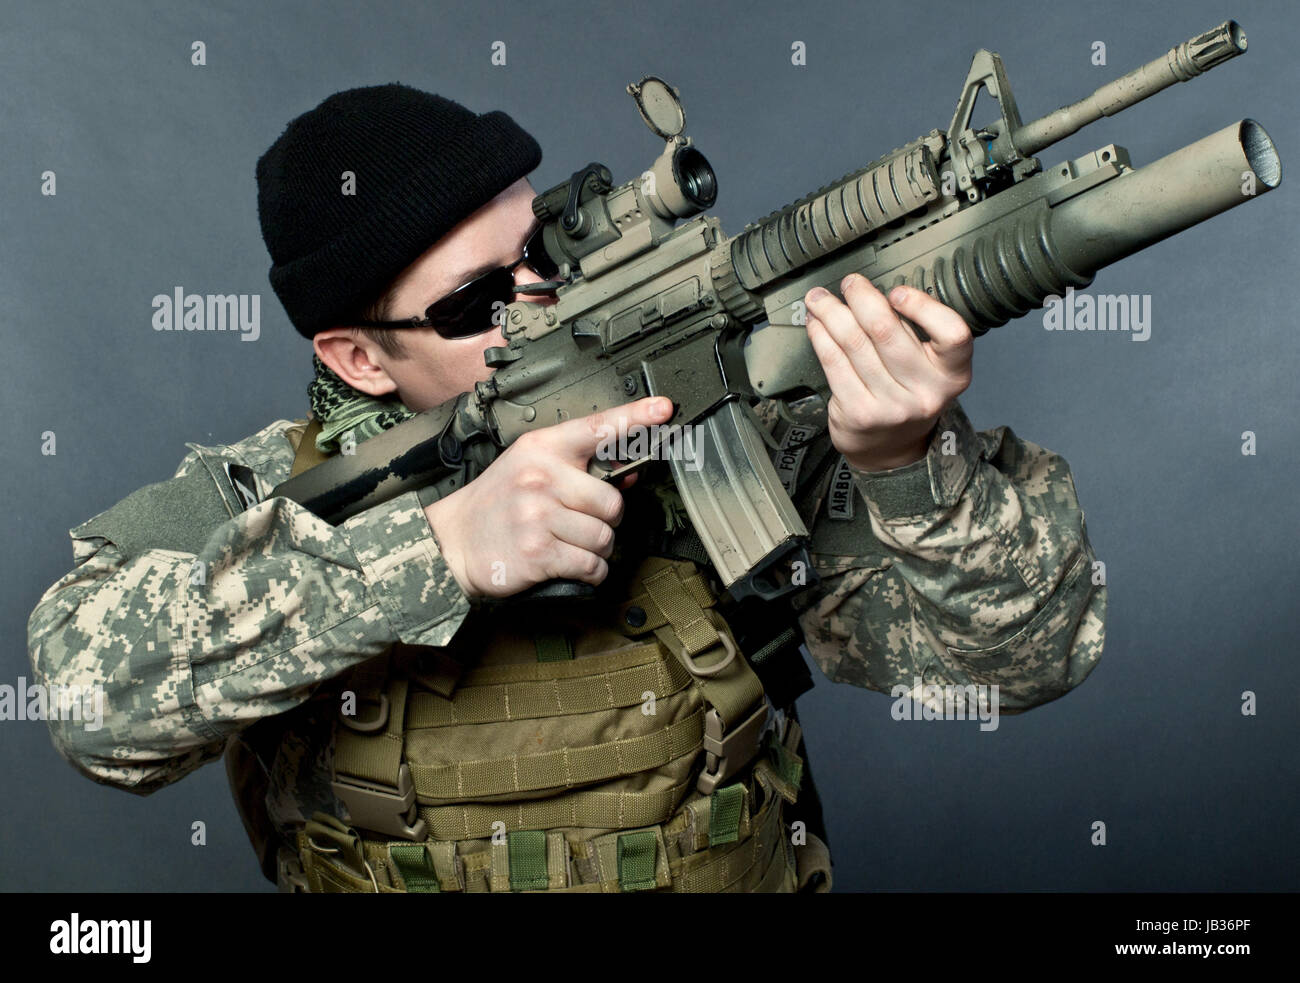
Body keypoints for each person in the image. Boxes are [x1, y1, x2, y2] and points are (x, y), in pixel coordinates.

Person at [27, 83, 1106, 893]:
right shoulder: (279, 495)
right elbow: (87, 704)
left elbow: (1025, 663)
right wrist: (439, 550)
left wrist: (905, 463)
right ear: (358, 357)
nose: (536, 298)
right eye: (475, 303)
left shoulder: (709, 429)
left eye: (539, 250)